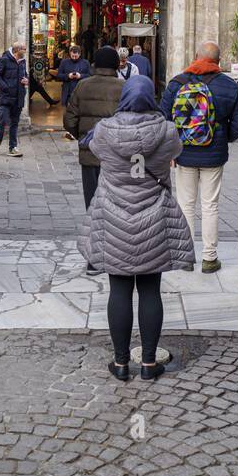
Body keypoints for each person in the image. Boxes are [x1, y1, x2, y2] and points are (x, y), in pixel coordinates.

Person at [78, 75, 194, 380]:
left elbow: (93, 147)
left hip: (114, 219)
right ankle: (147, 363)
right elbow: (177, 152)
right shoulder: (167, 133)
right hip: (153, 219)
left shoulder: (104, 132)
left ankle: (119, 363)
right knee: (150, 289)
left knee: (118, 289)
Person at [160, 39, 238, 273]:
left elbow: (163, 117)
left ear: (195, 57)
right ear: (218, 61)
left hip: (183, 153)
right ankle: (210, 258)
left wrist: (171, 147)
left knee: (186, 204)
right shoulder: (229, 86)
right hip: (214, 154)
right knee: (210, 206)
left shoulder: (177, 83)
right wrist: (221, 137)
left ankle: (186, 257)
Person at [63, 45, 123, 211]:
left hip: (89, 151)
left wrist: (83, 137)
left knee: (92, 202)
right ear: (116, 65)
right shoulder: (124, 87)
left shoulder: (83, 85)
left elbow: (69, 119)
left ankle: (93, 232)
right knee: (113, 201)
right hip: (115, 153)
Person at [0, 41, 29, 157]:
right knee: (2, 121)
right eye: (24, 50)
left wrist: (26, 79)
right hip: (6, 97)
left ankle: (13, 147)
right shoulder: (4, 60)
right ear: (17, 50)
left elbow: (25, 74)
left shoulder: (23, 61)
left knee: (15, 123)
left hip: (18, 97)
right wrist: (6, 87)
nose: (25, 52)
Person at [56, 43, 91, 137]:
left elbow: (90, 76)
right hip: (68, 92)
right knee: (68, 113)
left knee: (80, 112)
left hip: (81, 92)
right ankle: (69, 131)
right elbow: (58, 75)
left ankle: (78, 130)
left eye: (76, 56)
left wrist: (81, 76)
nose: (74, 58)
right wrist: (68, 76)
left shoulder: (85, 63)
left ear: (79, 54)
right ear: (70, 54)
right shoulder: (64, 62)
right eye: (72, 56)